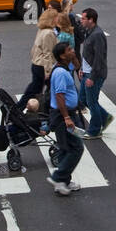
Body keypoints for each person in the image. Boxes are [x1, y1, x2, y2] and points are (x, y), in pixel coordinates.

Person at [47, 42, 84, 195]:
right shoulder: (61, 73)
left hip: (66, 114)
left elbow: (76, 66)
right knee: (77, 147)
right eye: (69, 50)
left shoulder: (64, 67)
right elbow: (59, 95)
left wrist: (75, 60)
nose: (73, 51)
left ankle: (63, 182)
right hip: (63, 116)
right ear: (62, 55)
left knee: (65, 148)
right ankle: (58, 177)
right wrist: (67, 117)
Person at [79, 8, 112, 139]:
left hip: (94, 74)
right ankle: (105, 117)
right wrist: (82, 68)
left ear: (91, 20)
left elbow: (99, 58)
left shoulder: (97, 34)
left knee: (92, 102)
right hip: (86, 72)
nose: (81, 20)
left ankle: (95, 130)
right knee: (83, 99)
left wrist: (92, 77)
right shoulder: (89, 31)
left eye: (83, 18)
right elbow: (87, 53)